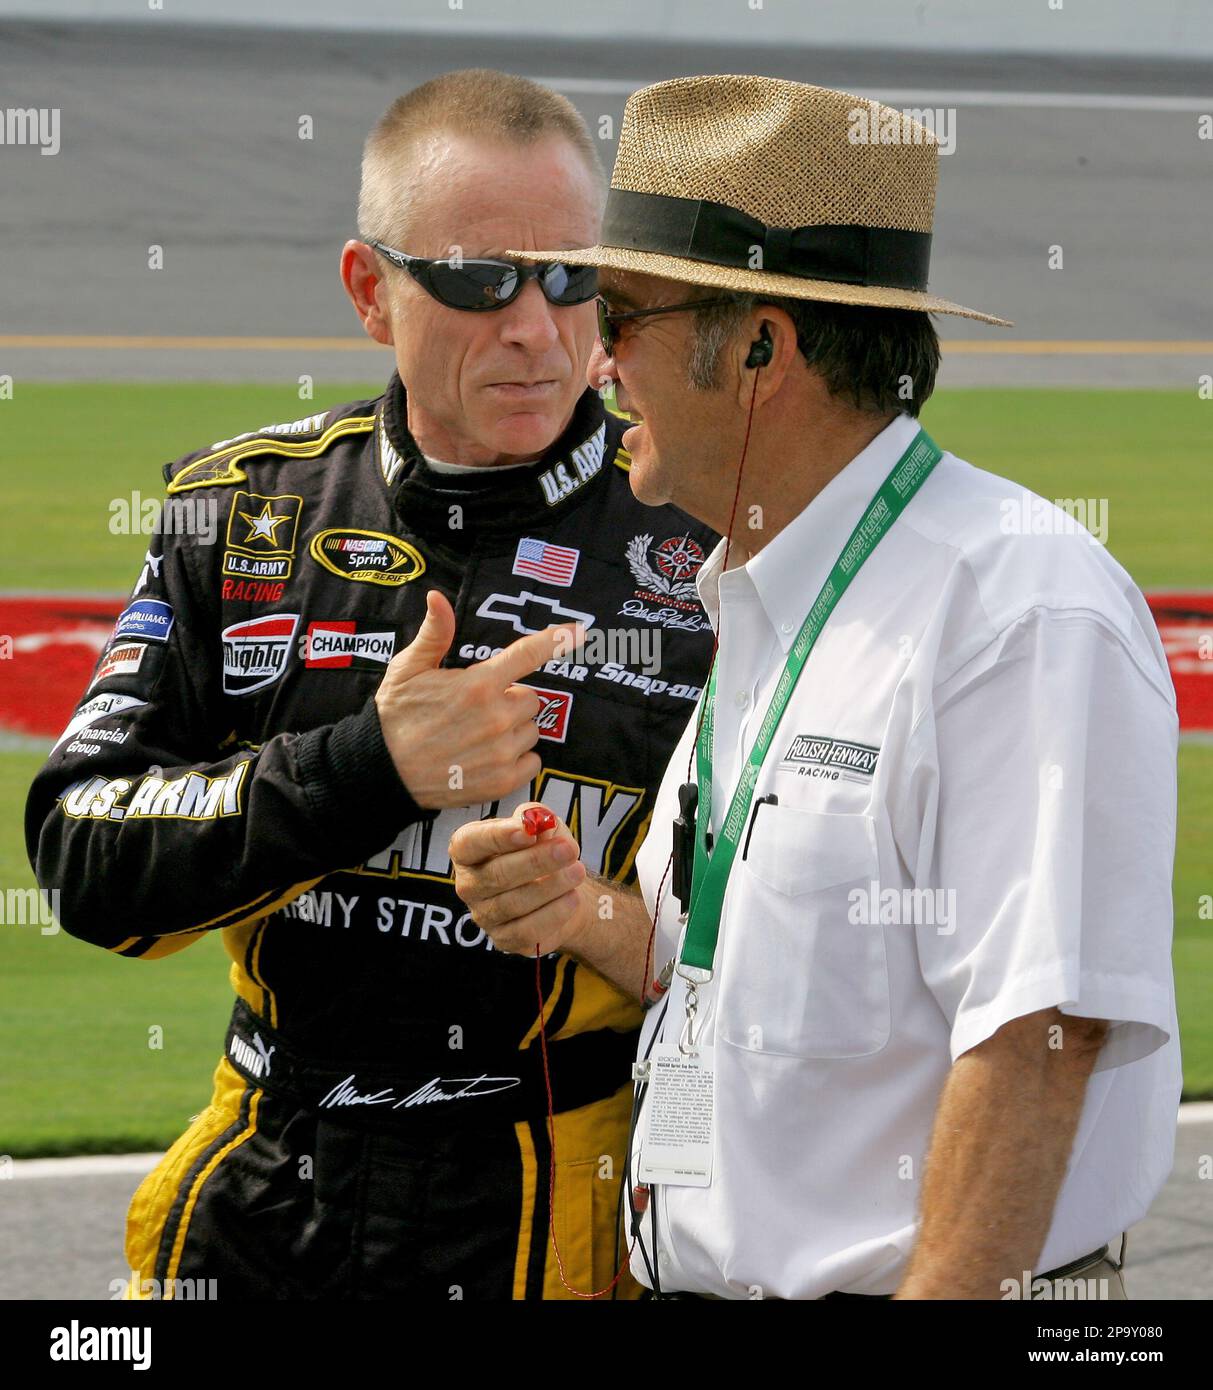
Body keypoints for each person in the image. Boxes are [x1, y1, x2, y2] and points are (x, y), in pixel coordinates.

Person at [450, 75, 1182, 1300]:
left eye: (616, 311)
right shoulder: (773, 591)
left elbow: (1037, 1040)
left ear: (757, 347)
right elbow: (743, 979)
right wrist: (582, 913)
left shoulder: (1015, 608)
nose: (587, 354)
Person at [25, 69, 717, 1301]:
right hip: (268, 1176)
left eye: (570, 277)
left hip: (562, 1201)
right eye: (474, 279)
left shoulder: (712, 536)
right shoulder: (235, 510)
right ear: (368, 290)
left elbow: (825, 959)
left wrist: (600, 920)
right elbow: (82, 860)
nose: (534, 326)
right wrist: (370, 768)